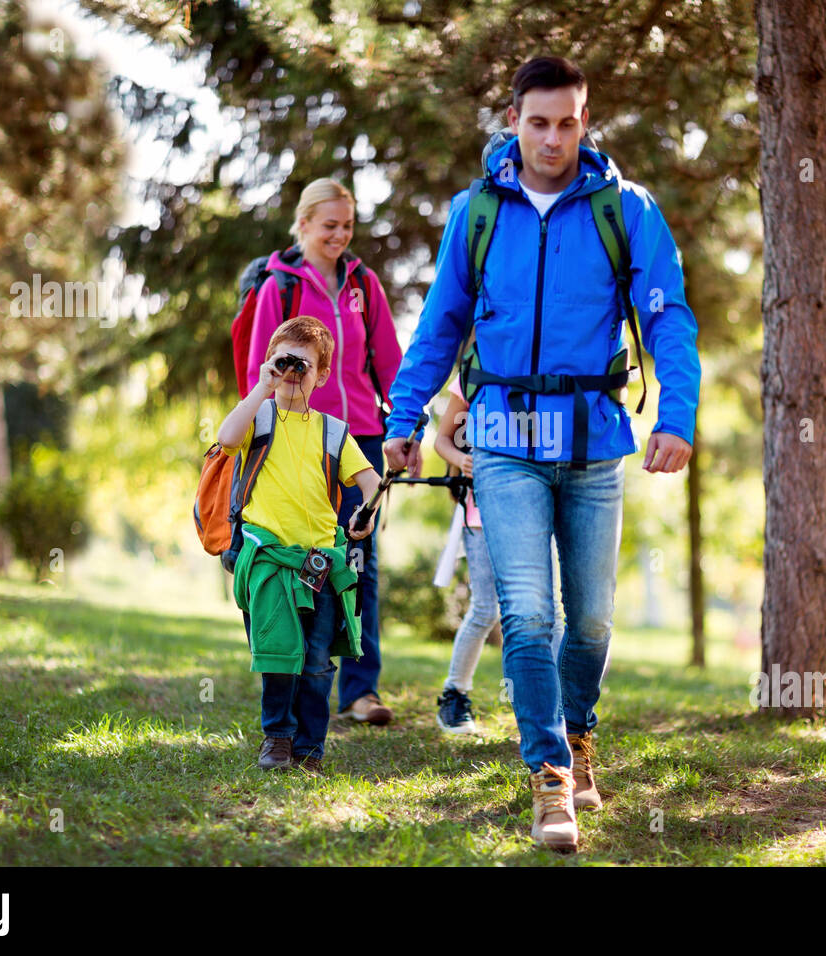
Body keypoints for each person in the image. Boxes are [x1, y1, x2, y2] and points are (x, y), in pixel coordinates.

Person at [382, 56, 700, 851]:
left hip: (594, 443)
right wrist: (405, 413)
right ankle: (550, 777)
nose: (553, 138)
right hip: (503, 441)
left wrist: (677, 413)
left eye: (567, 122)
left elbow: (669, 319)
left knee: (589, 622)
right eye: (538, 122)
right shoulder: (478, 211)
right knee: (528, 616)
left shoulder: (626, 210)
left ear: (584, 122)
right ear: (514, 121)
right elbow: (441, 322)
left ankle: (581, 729)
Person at [245, 178, 403, 727]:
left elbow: (389, 360)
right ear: (305, 224)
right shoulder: (279, 289)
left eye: (348, 226)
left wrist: (404, 428)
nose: (340, 235)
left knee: (358, 562)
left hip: (359, 437)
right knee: (297, 561)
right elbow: (257, 371)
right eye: (329, 225)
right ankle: (294, 681)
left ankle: (361, 691)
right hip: (297, 439)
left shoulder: (364, 285)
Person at [219, 315, 381, 772]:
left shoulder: (333, 431)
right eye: (283, 361)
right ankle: (277, 738)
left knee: (315, 663)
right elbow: (227, 439)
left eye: (302, 365)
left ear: (323, 375)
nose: (292, 372)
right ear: (269, 362)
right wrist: (261, 386)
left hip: (319, 563)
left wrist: (366, 511)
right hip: (269, 559)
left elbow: (369, 480)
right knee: (278, 654)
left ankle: (310, 747)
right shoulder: (259, 415)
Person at [431, 377, 565, 734]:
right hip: (481, 514)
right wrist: (463, 460)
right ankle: (454, 694)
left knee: (548, 612)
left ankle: (556, 706)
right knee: (486, 609)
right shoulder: (471, 376)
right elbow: (442, 439)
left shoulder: (550, 365)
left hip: (538, 511)